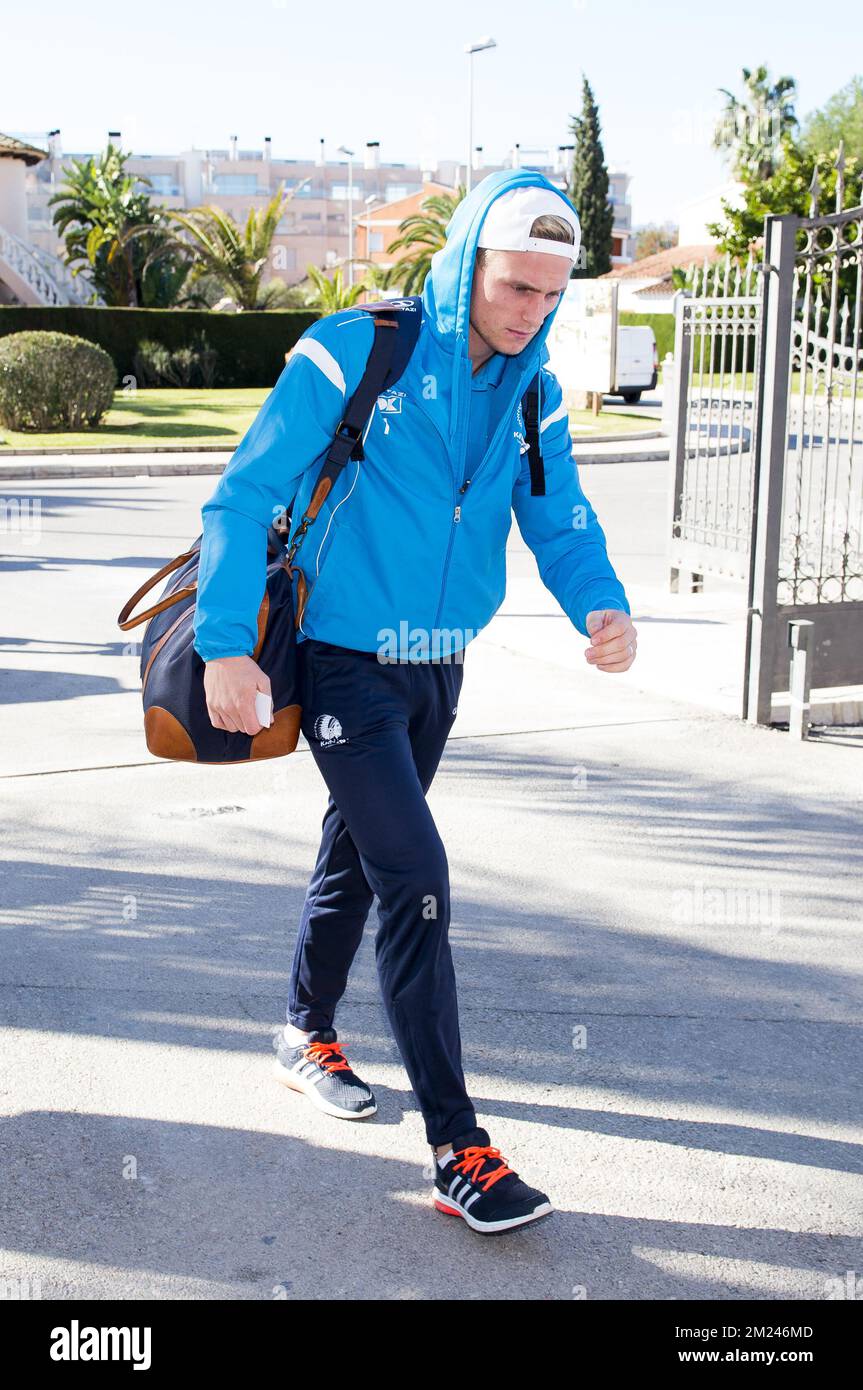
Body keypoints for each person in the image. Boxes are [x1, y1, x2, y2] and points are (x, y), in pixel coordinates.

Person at [192, 169, 637, 1236]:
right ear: (468, 259)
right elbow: (243, 491)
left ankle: (303, 1029)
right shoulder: (358, 347)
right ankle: (457, 1146)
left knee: (359, 850)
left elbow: (560, 519)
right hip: (342, 658)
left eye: (548, 293)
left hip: (438, 663)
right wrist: (222, 647)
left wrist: (602, 606)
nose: (528, 310)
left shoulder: (533, 392)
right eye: (512, 284)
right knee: (415, 875)